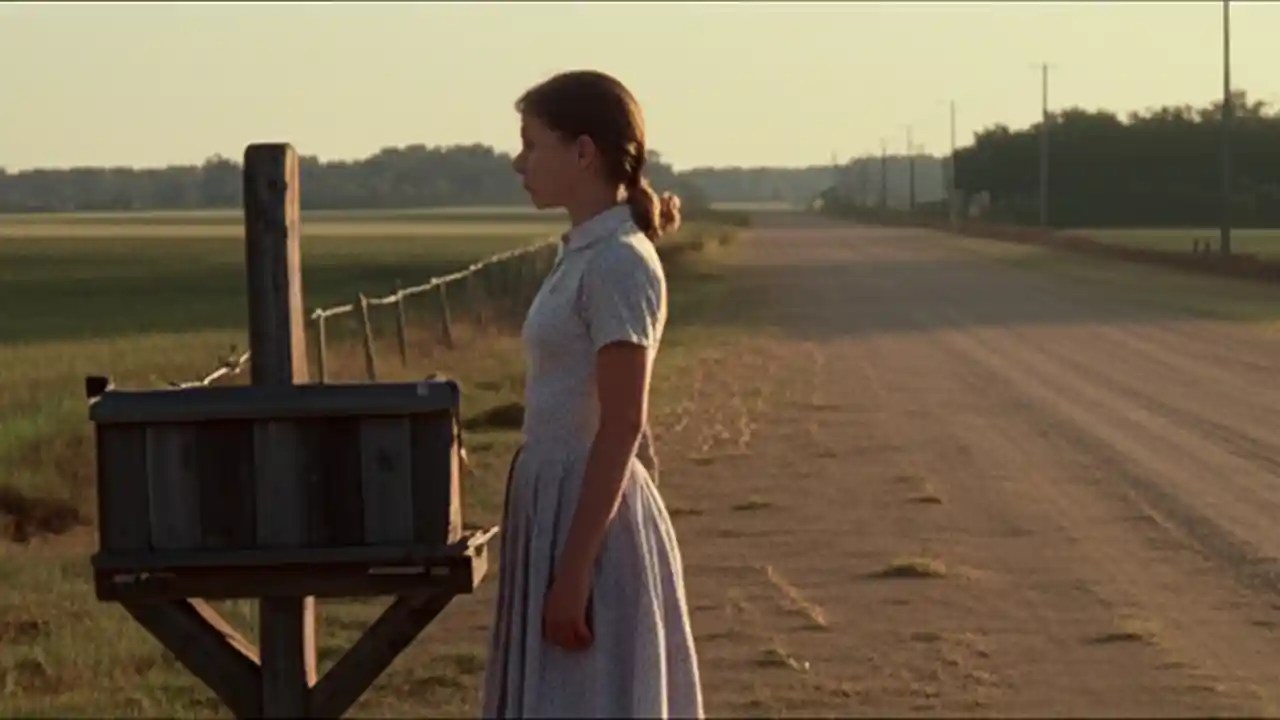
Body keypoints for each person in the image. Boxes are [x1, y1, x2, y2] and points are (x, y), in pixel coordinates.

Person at [480, 69, 704, 718]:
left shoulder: (618, 264)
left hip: (590, 520)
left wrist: (575, 571)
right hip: (550, 503)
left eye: (531, 144)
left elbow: (622, 424)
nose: (519, 162)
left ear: (583, 152)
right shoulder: (581, 255)